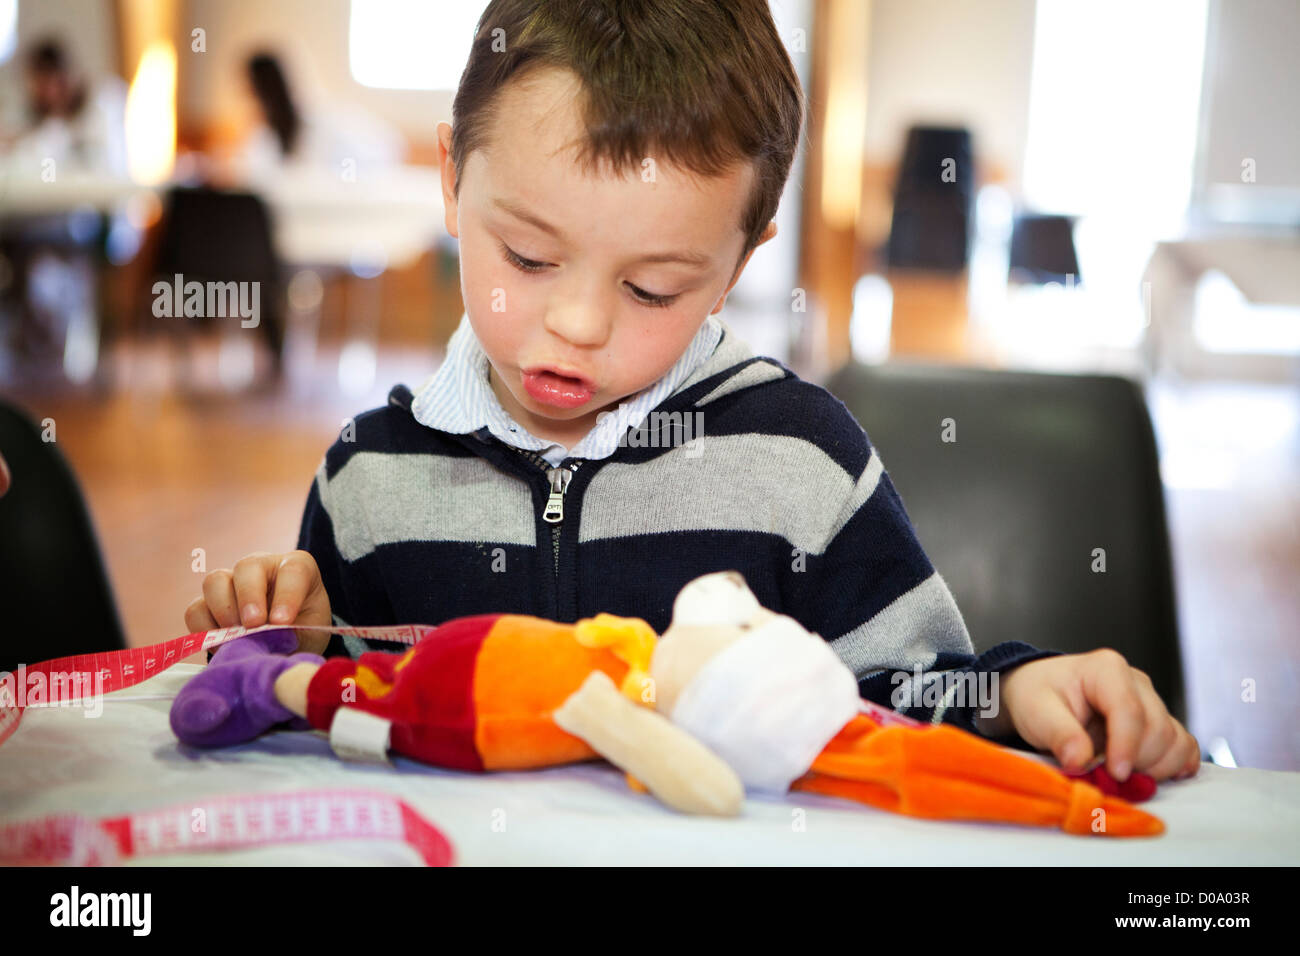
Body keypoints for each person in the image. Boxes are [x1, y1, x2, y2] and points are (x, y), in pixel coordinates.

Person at [182, 0, 1199, 786]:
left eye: (650, 287)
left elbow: (900, 696)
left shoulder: (797, 461)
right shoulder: (370, 476)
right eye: (528, 256)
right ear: (453, 181)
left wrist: (1015, 691)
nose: (577, 323)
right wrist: (298, 642)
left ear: (738, 263)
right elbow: (356, 708)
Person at [233, 50, 403, 183]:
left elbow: (387, 150)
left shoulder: (329, 124)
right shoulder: (265, 134)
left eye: (252, 90)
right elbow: (259, 172)